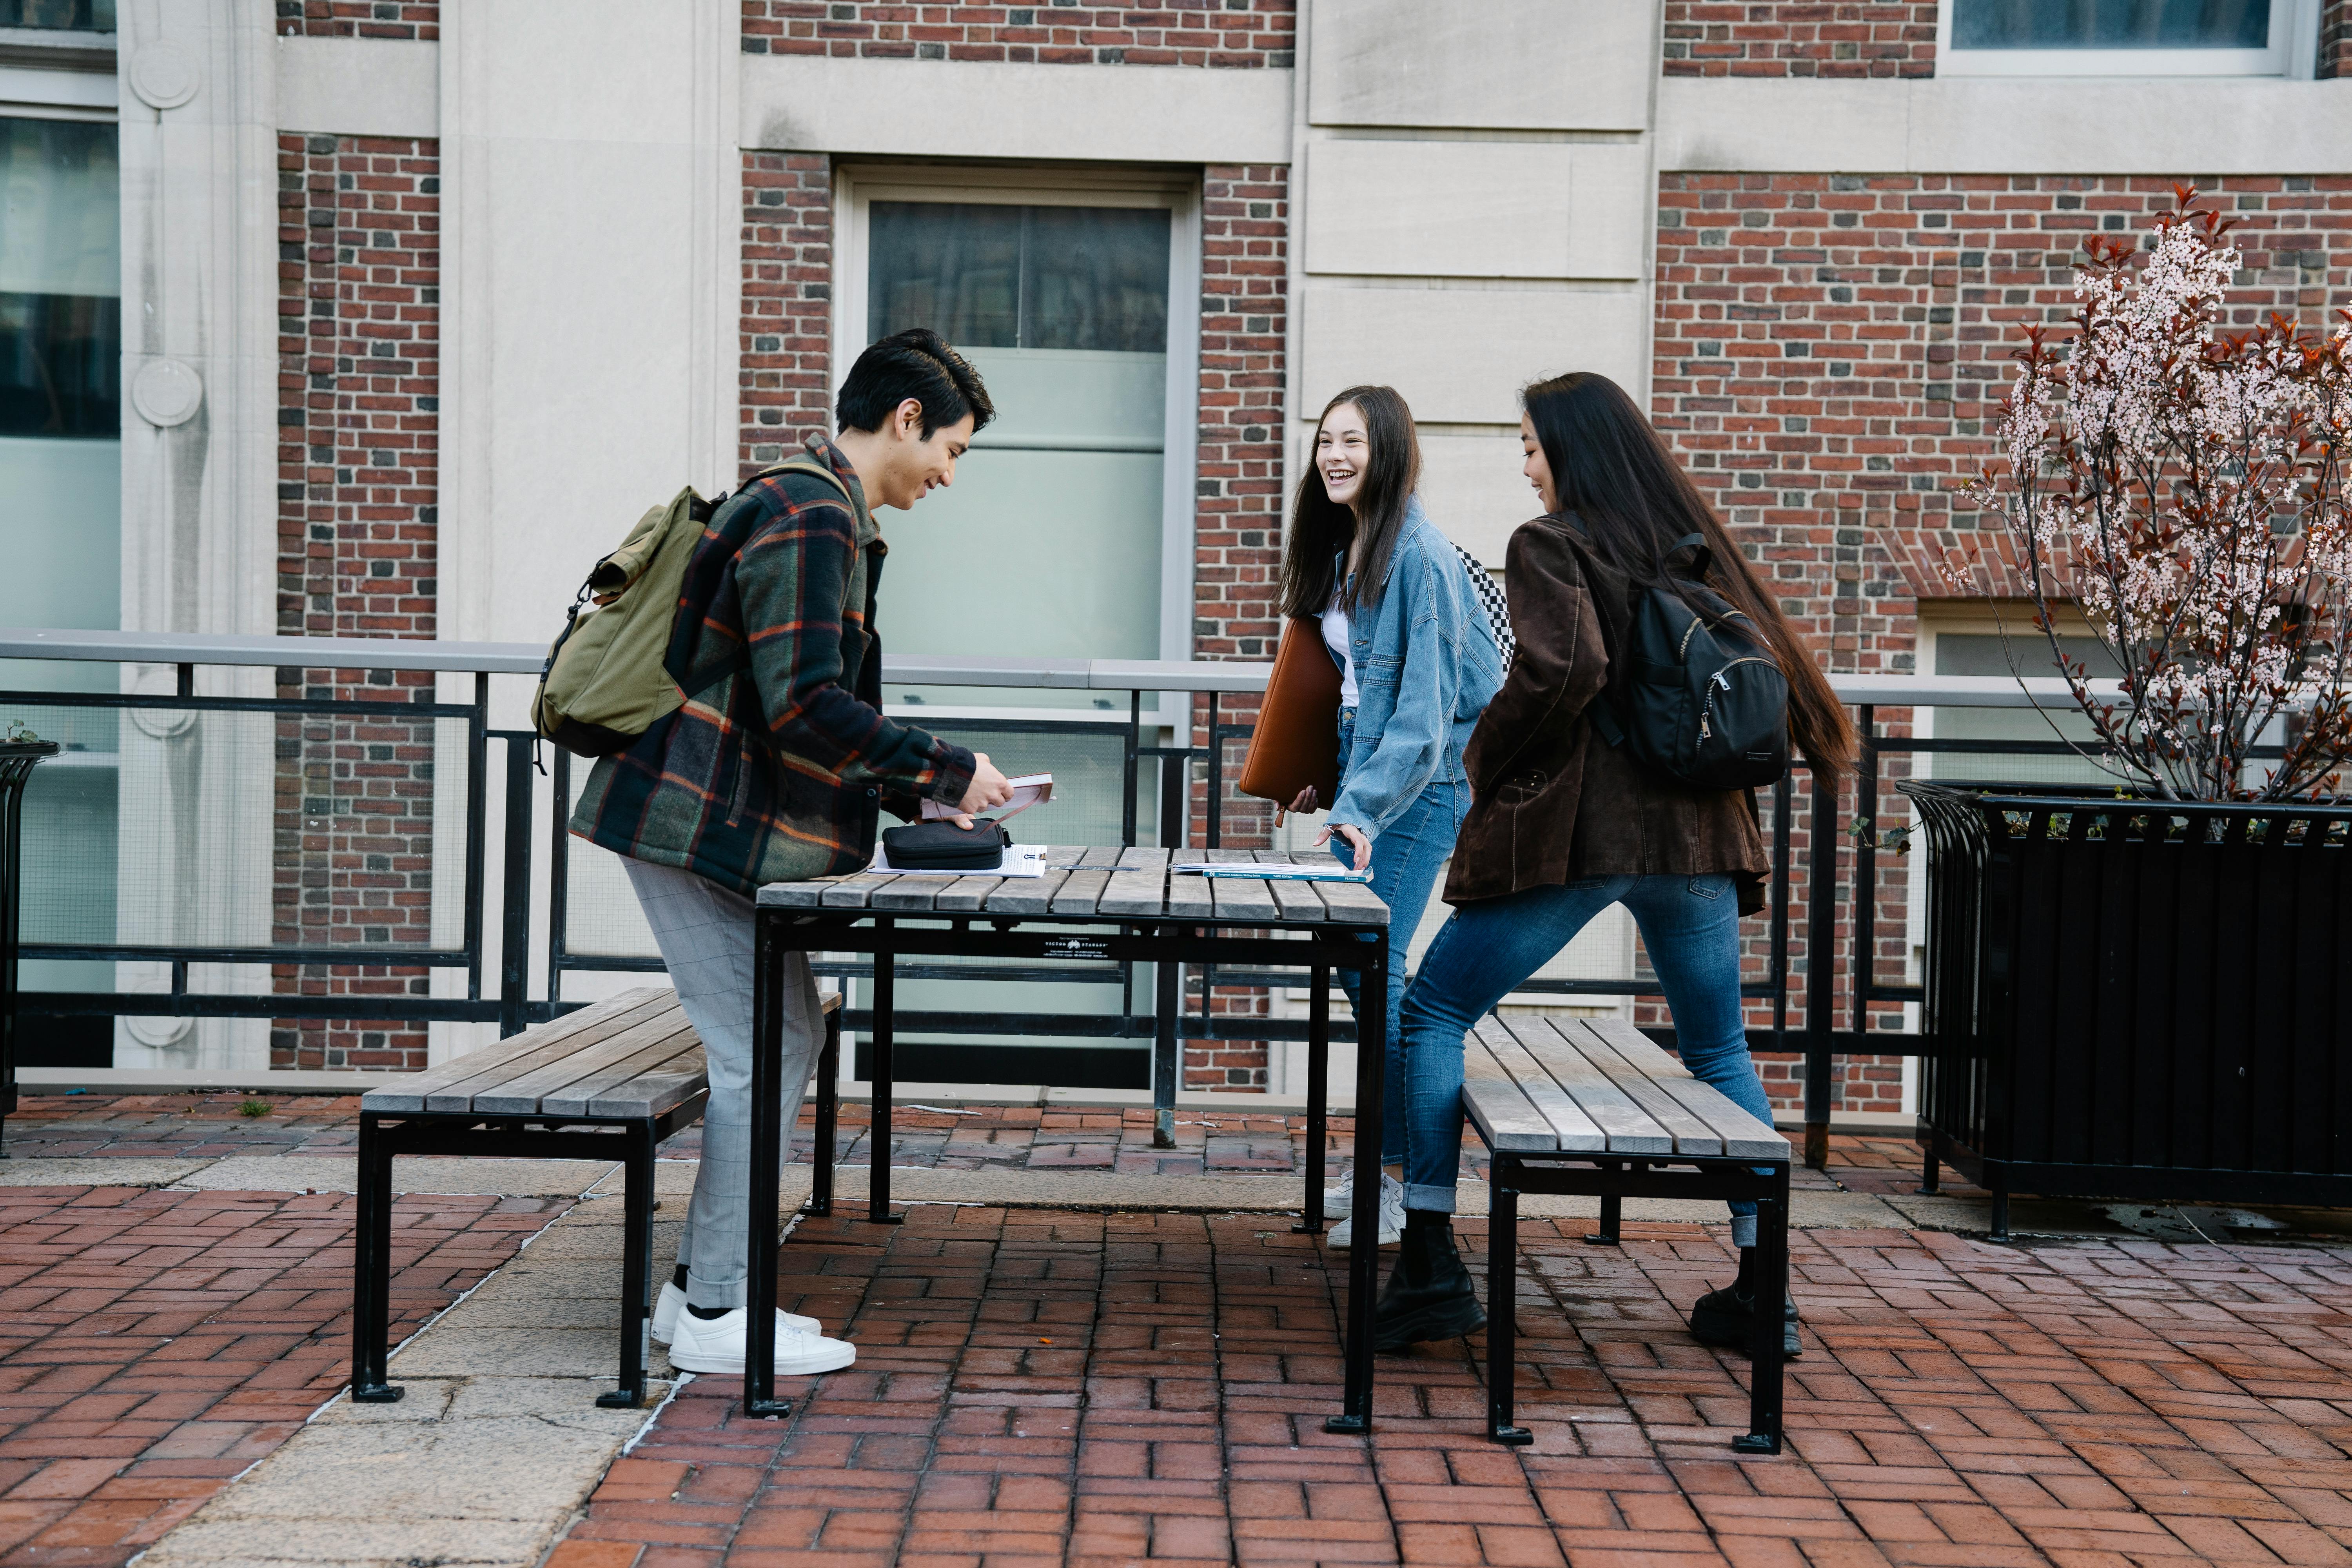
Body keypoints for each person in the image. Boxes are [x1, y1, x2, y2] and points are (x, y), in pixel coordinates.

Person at [1377, 371, 1854, 1354]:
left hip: (1586, 843)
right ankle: (1765, 1286)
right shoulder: (1693, 549)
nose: (1525, 463)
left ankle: (1428, 1259)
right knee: (1718, 1046)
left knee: (1432, 1008)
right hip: (1702, 844)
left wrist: (1485, 754)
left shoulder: (1551, 544)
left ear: (1574, 450)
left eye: (1531, 444)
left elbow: (1563, 670)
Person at [570, 328, 1016, 1376]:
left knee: (780, 1043)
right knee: (764, 1050)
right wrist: (944, 771)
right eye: (950, 449)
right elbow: (808, 707)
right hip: (695, 826)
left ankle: (697, 1302)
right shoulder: (813, 515)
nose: (948, 475)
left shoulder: (806, 503)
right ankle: (720, 1313)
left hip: (704, 824)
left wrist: (919, 783)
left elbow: (804, 704)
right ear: (905, 421)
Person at [1276, 384, 1505, 1249]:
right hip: (1374, 783)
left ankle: (1405, 1181)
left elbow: (1425, 711)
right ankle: (1391, 1168)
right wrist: (1323, 778)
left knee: (1373, 971)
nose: (1334, 456)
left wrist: (1361, 802)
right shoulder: (1352, 544)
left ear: (1391, 452)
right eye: (1326, 440)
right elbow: (1355, 692)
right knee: (1366, 973)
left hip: (1422, 789)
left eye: (1353, 442)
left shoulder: (1421, 556)